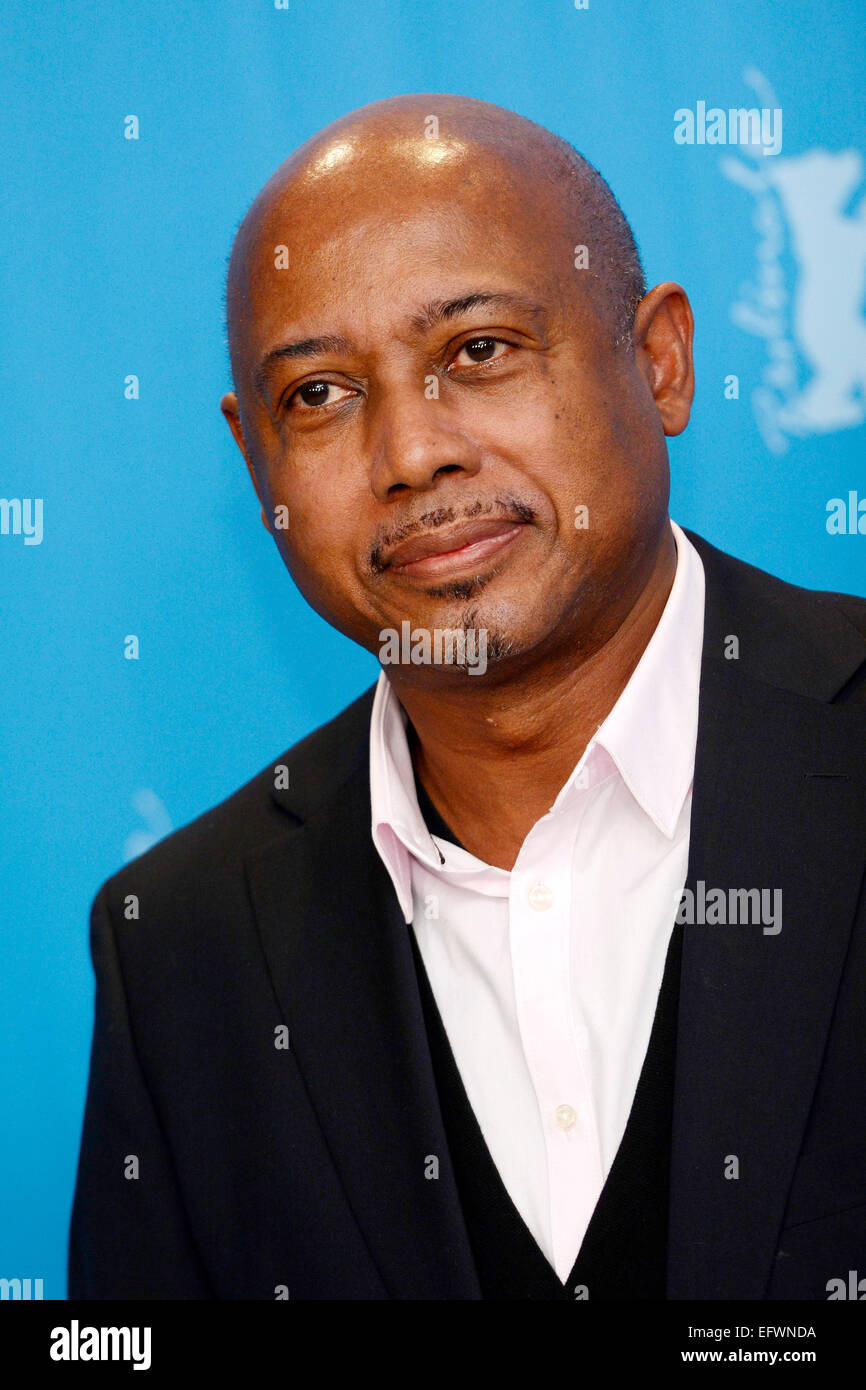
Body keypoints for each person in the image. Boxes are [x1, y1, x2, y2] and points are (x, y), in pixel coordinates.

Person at [69, 94, 866, 1301]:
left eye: (477, 350)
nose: (408, 453)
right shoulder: (182, 946)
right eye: (320, 395)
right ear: (256, 463)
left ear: (657, 362)